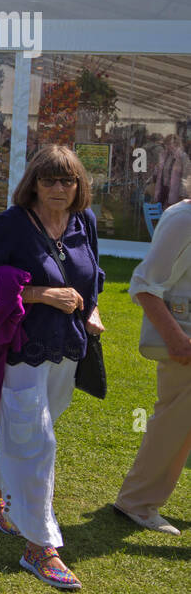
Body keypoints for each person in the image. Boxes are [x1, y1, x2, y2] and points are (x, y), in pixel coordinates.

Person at [0, 144, 105, 590]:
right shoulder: (12, 225)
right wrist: (43, 295)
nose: (59, 188)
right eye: (49, 179)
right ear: (34, 183)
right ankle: (39, 547)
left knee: (31, 432)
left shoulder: (83, 221)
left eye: (68, 180)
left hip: (67, 348)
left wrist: (93, 310)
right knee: (37, 441)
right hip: (22, 350)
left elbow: (92, 274)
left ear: (79, 186)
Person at [114, 183, 191, 535]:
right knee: (174, 424)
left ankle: (138, 499)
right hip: (185, 341)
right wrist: (177, 340)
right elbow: (144, 285)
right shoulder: (183, 219)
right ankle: (137, 502)